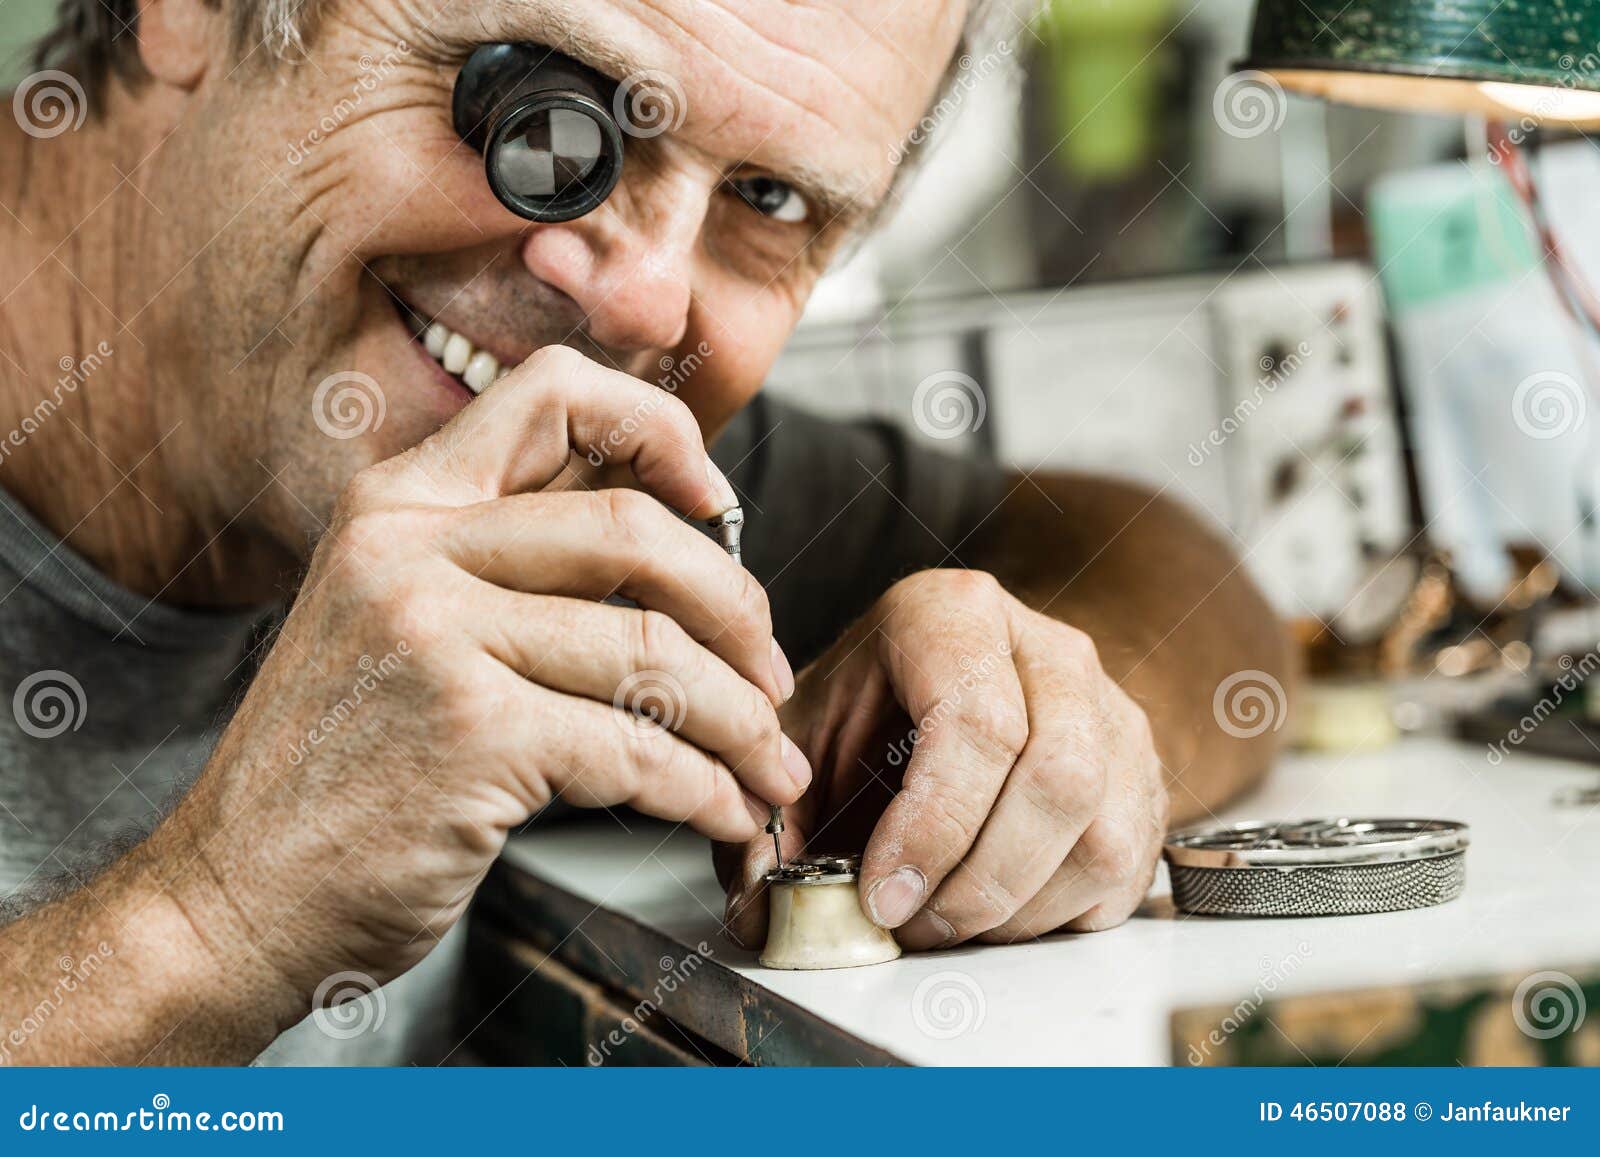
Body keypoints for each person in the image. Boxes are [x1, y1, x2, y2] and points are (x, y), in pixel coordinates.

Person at [0, 0, 1292, 1064]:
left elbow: (1159, 566)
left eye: (774, 198)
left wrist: (1028, 725)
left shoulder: (539, 422)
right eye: (552, 100)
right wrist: (211, 922)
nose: (639, 301)